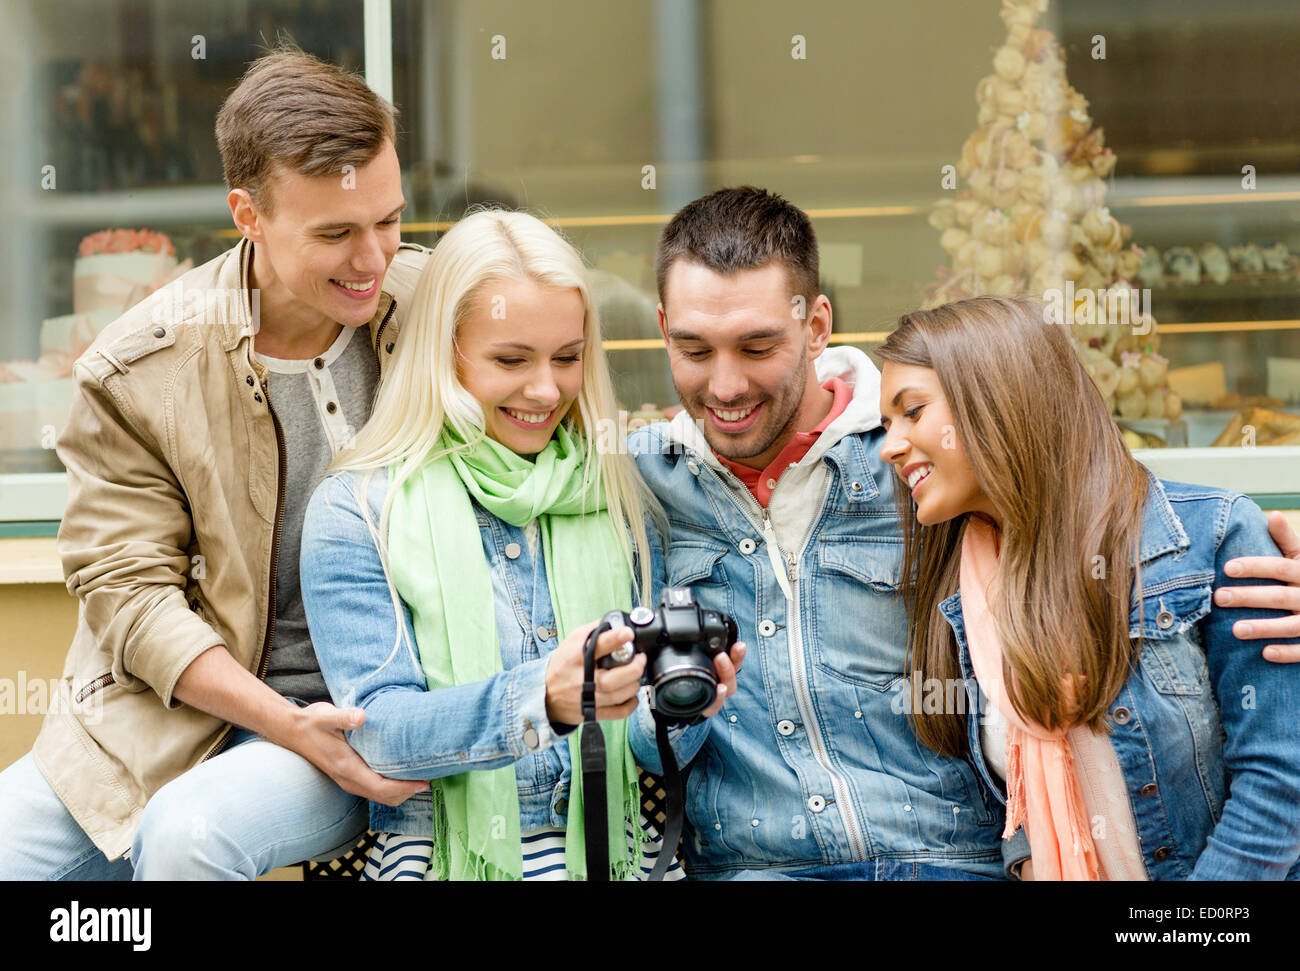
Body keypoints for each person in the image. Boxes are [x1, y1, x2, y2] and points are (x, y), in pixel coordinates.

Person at [625, 185, 1300, 880]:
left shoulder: (961, 509)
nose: (726, 384)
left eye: (757, 345)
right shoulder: (637, 484)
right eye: (693, 349)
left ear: (817, 324)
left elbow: (1280, 778)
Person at [0, 48, 433, 880]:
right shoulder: (138, 365)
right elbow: (127, 590)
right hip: (169, 713)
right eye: (336, 234)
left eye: (389, 219)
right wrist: (276, 718)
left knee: (190, 835)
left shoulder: (436, 310)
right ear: (249, 216)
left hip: (367, 710)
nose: (374, 258)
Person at [299, 209, 740, 880]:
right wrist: (543, 697)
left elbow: (652, 755)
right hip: (443, 858)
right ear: (445, 349)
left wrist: (683, 708)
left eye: (567, 358)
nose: (545, 389)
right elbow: (379, 733)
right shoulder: (359, 507)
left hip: (618, 856)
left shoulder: (618, 488)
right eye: (511, 359)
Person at [876, 296, 1300, 879]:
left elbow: (1280, 784)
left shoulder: (1212, 535)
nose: (889, 444)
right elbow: (1012, 802)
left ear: (999, 400)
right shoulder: (964, 587)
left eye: (912, 411)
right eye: (885, 423)